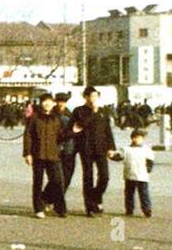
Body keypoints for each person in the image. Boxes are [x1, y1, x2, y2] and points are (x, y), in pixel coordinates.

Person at [72, 86, 115, 216]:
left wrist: (111, 147)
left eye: (96, 96)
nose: (93, 99)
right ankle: (90, 207)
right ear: (85, 97)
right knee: (88, 177)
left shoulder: (103, 111)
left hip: (101, 148)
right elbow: (81, 124)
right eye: (91, 96)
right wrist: (93, 112)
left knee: (104, 176)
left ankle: (96, 197)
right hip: (86, 148)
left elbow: (107, 130)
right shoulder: (79, 111)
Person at [23, 93, 67, 219]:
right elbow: (28, 136)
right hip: (38, 154)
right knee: (38, 182)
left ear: (53, 104)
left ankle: (59, 207)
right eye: (44, 102)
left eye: (49, 102)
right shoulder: (34, 118)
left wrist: (72, 132)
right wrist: (27, 153)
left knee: (57, 181)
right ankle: (38, 208)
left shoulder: (57, 118)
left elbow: (61, 135)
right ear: (41, 103)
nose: (47, 104)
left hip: (53, 154)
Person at [112, 129, 155, 219]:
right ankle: (129, 209)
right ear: (132, 138)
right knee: (129, 193)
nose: (137, 139)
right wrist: (112, 156)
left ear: (142, 139)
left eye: (139, 138)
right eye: (135, 137)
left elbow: (150, 160)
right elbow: (119, 157)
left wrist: (149, 168)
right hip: (129, 175)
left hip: (142, 175)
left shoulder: (146, 149)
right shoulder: (126, 149)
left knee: (143, 193)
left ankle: (147, 209)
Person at [52, 92, 77, 191]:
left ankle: (56, 197)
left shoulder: (70, 114)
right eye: (59, 101)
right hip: (55, 147)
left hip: (69, 148)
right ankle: (49, 197)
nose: (61, 104)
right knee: (56, 176)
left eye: (63, 101)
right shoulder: (52, 114)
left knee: (68, 174)